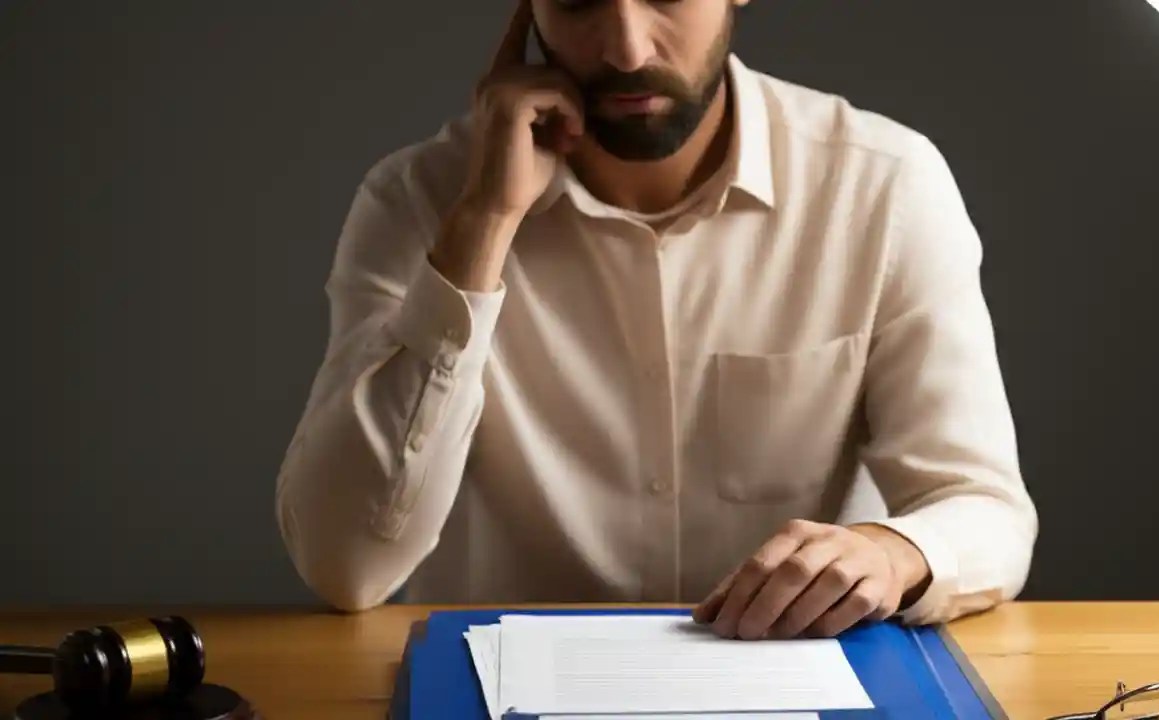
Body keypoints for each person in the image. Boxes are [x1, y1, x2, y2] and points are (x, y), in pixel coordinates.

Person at [275, 0, 1038, 640]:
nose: (628, 49)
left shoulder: (883, 187)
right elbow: (344, 565)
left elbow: (985, 508)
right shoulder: (419, 202)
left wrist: (893, 551)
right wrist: (482, 226)